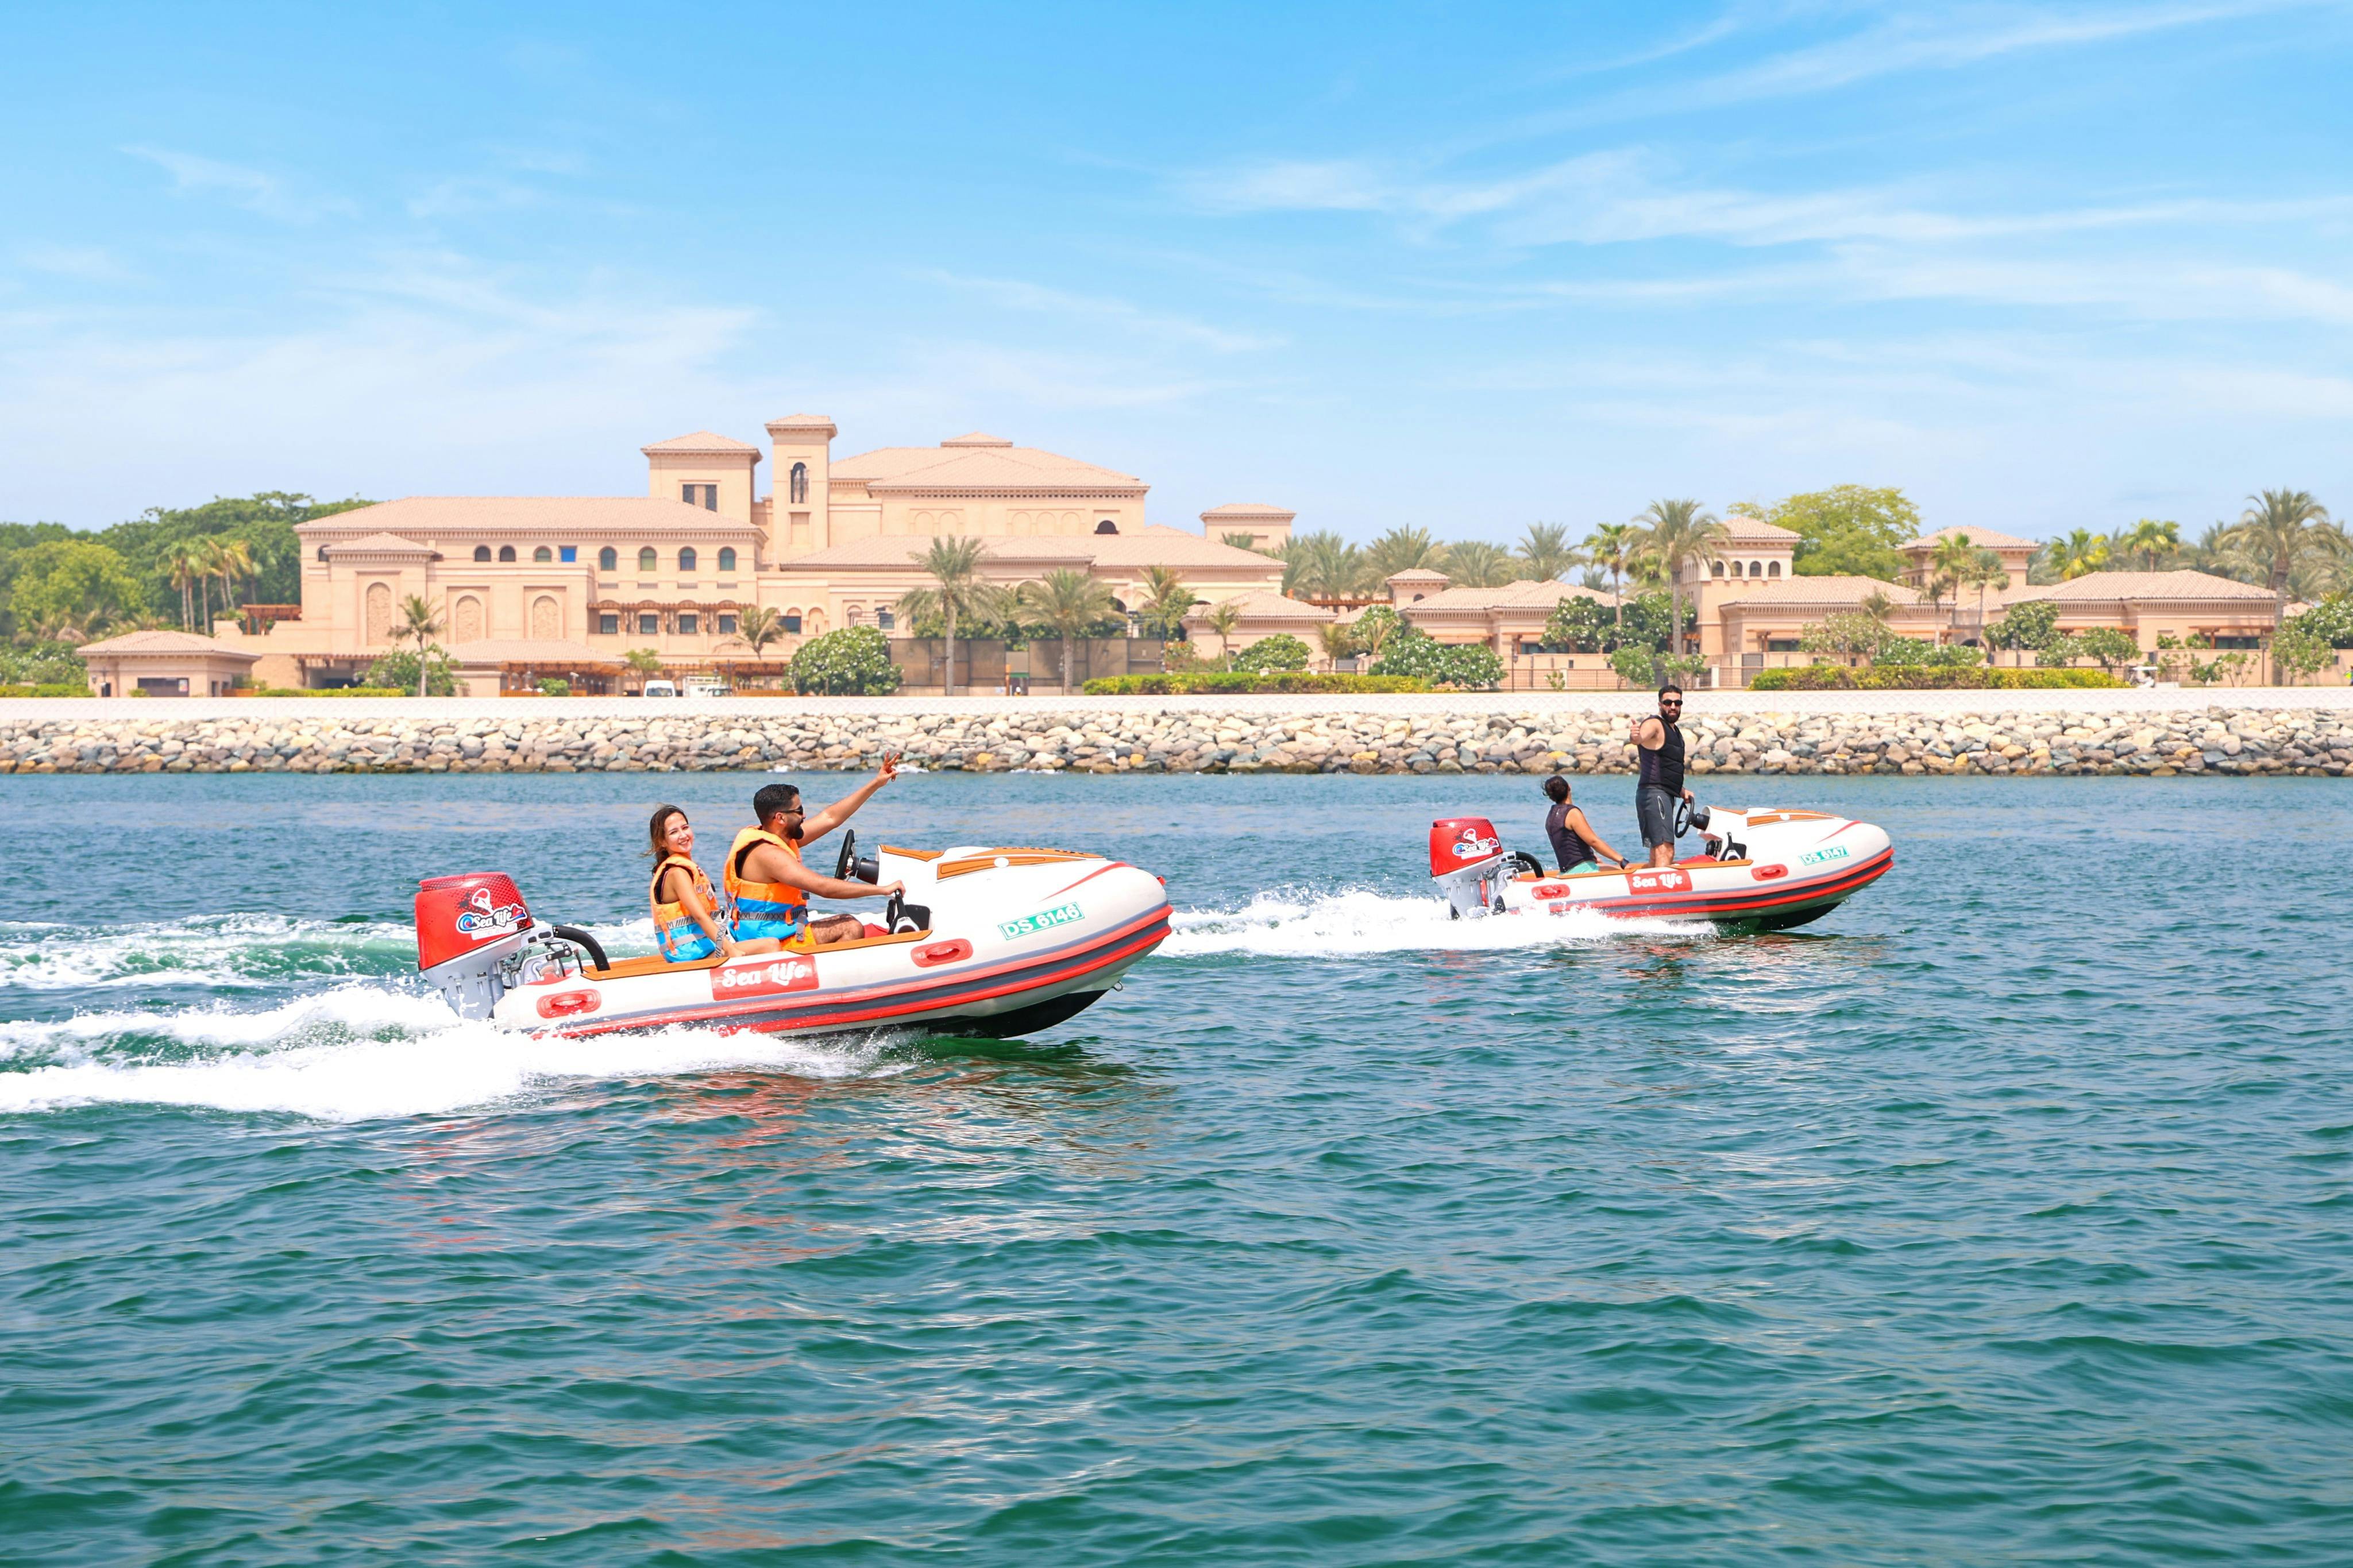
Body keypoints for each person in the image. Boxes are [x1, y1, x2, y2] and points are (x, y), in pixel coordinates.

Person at [726, 757, 905, 948]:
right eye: (799, 810)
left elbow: (831, 817)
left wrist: (877, 783)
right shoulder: (768, 854)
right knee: (849, 927)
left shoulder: (782, 837)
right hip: (767, 940)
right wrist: (882, 889)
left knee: (846, 921)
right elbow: (823, 888)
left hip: (780, 929)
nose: (804, 815)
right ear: (780, 818)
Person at [647, 805, 782, 964]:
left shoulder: (684, 868)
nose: (683, 835)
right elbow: (700, 916)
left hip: (702, 951)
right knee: (770, 945)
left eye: (685, 827)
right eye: (674, 832)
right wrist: (730, 949)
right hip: (689, 958)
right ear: (662, 842)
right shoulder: (678, 873)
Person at [1629, 683, 1696, 868]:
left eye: (1677, 702)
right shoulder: (1655, 724)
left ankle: (1649, 889)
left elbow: (1666, 768)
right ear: (1660, 704)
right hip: (1654, 795)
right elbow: (1640, 738)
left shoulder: (1675, 731)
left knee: (1656, 851)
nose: (1673, 707)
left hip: (1662, 794)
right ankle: (1663, 893)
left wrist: (1681, 791)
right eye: (1668, 702)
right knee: (1666, 849)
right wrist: (1635, 737)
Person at [1542, 775, 1631, 874]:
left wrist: (1592, 858)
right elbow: (1594, 842)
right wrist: (1622, 861)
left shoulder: (1551, 815)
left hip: (1565, 872)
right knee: (1620, 871)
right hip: (1581, 871)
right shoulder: (1572, 813)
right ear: (1569, 787)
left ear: (1551, 796)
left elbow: (1569, 844)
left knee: (1605, 865)